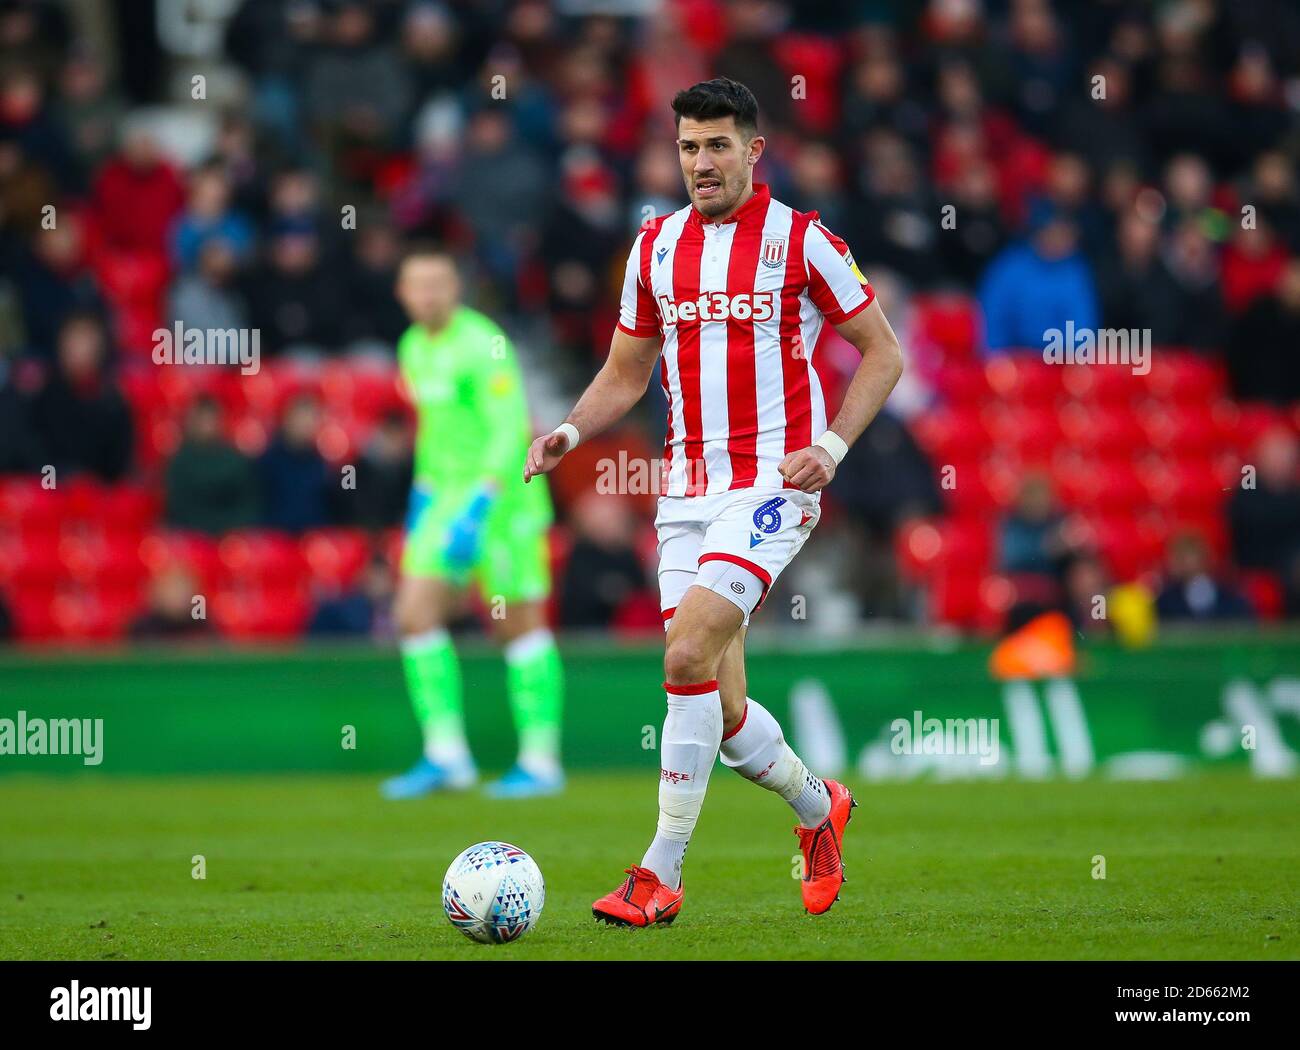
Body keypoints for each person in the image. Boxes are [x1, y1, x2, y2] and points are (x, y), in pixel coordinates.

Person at [524, 79, 903, 925]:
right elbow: (626, 371)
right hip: (686, 491)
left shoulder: (804, 242)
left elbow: (882, 353)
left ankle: (658, 875)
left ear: (753, 151)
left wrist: (831, 446)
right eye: (689, 146)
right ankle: (818, 808)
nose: (701, 161)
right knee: (721, 708)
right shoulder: (654, 245)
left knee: (685, 654)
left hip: (772, 485)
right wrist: (569, 434)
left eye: (717, 145)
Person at [381, 246, 564, 801]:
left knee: (517, 623)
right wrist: (423, 493)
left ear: (455, 286)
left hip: (504, 498)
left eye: (439, 281)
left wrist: (483, 500)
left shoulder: (483, 342)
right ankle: (447, 756)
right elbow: (435, 430)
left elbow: (510, 426)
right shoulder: (412, 347)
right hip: (444, 500)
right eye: (419, 284)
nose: (429, 293)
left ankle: (540, 761)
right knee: (413, 615)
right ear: (403, 293)